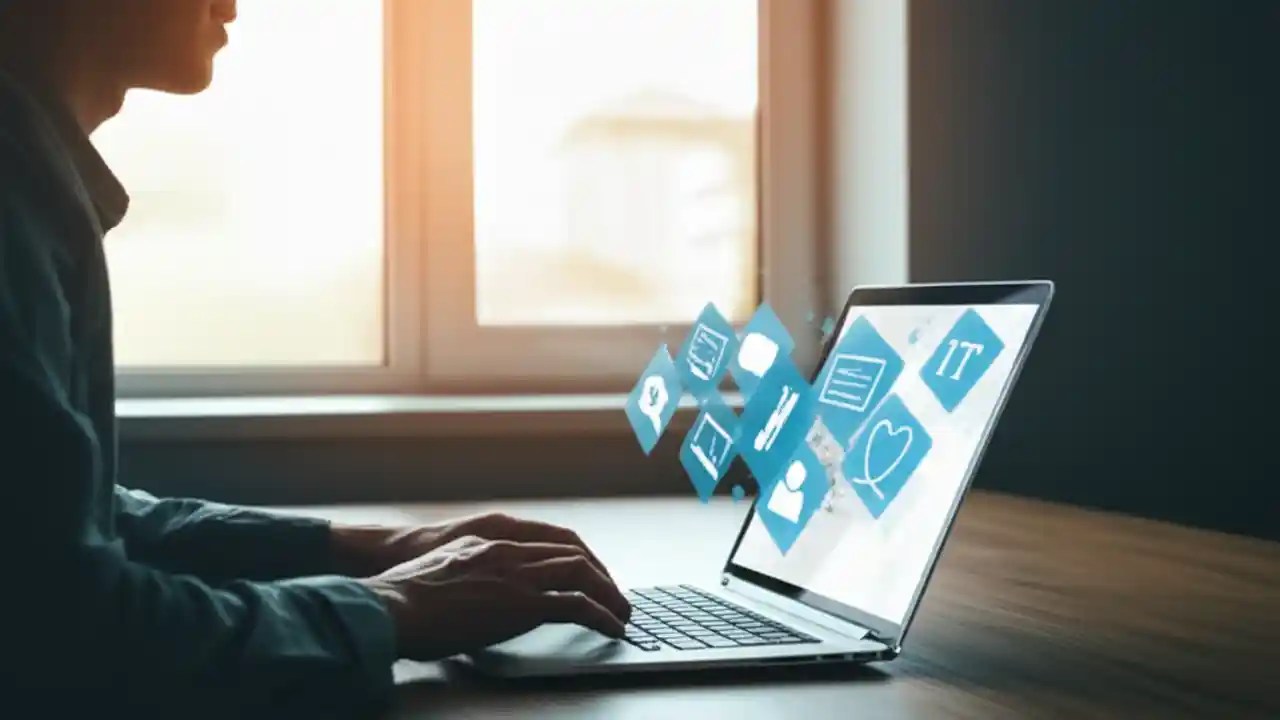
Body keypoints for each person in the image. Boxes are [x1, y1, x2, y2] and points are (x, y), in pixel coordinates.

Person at [0, 1, 630, 714]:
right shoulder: (12, 208)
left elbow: (70, 523)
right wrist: (395, 607)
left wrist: (376, 551)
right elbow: (70, 631)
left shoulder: (31, 173)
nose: (234, 5)